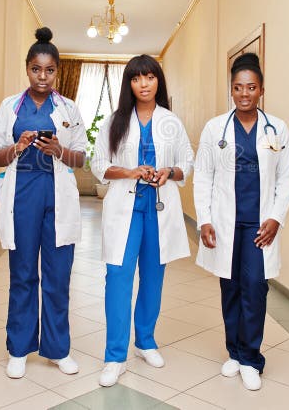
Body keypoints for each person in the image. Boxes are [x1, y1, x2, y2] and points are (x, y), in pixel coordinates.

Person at [193, 53, 289, 391]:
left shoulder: (277, 128)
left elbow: (288, 177)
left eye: (251, 87)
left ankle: (251, 358)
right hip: (226, 222)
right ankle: (234, 353)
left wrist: (276, 217)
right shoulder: (215, 128)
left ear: (261, 90)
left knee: (254, 288)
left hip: (258, 225)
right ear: (231, 90)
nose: (244, 94)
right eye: (238, 87)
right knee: (230, 287)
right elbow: (203, 176)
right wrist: (205, 219)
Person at [90, 54, 194, 387]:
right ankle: (114, 355)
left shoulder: (170, 121)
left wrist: (169, 172)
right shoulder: (115, 121)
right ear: (129, 84)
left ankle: (145, 341)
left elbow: (187, 161)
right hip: (125, 207)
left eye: (149, 77)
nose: (144, 84)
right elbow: (98, 163)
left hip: (158, 208)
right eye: (136, 78)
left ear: (158, 80)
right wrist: (129, 171)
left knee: (152, 278)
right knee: (118, 278)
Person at [0, 27, 87, 379]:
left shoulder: (69, 108)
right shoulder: (9, 107)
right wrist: (17, 146)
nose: (42, 77)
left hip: (57, 196)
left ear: (57, 72)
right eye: (35, 69)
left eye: (49, 70)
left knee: (58, 277)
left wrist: (59, 150)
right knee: (23, 274)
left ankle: (58, 349)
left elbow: (81, 159)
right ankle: (19, 348)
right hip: (22, 195)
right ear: (27, 68)